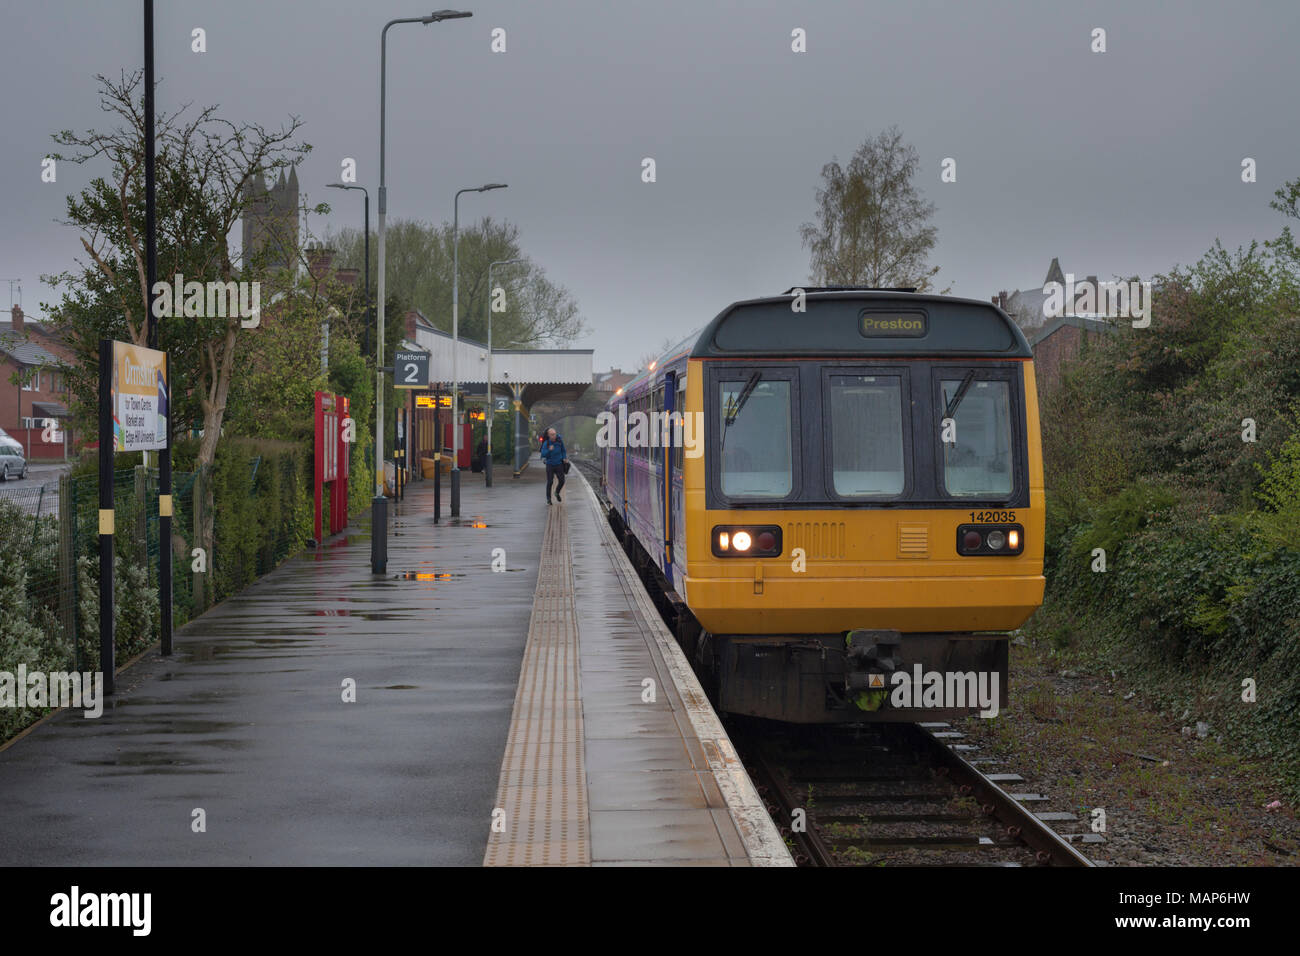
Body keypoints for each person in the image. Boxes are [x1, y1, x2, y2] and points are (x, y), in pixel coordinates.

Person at [539, 427, 568, 504]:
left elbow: (563, 450)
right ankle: (549, 499)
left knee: (562, 481)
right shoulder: (546, 443)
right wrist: (549, 450)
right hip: (550, 464)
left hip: (559, 464)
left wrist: (564, 457)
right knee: (550, 482)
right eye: (552, 435)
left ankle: (557, 492)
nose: (554, 436)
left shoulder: (559, 441)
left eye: (555, 434)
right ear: (548, 435)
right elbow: (543, 454)